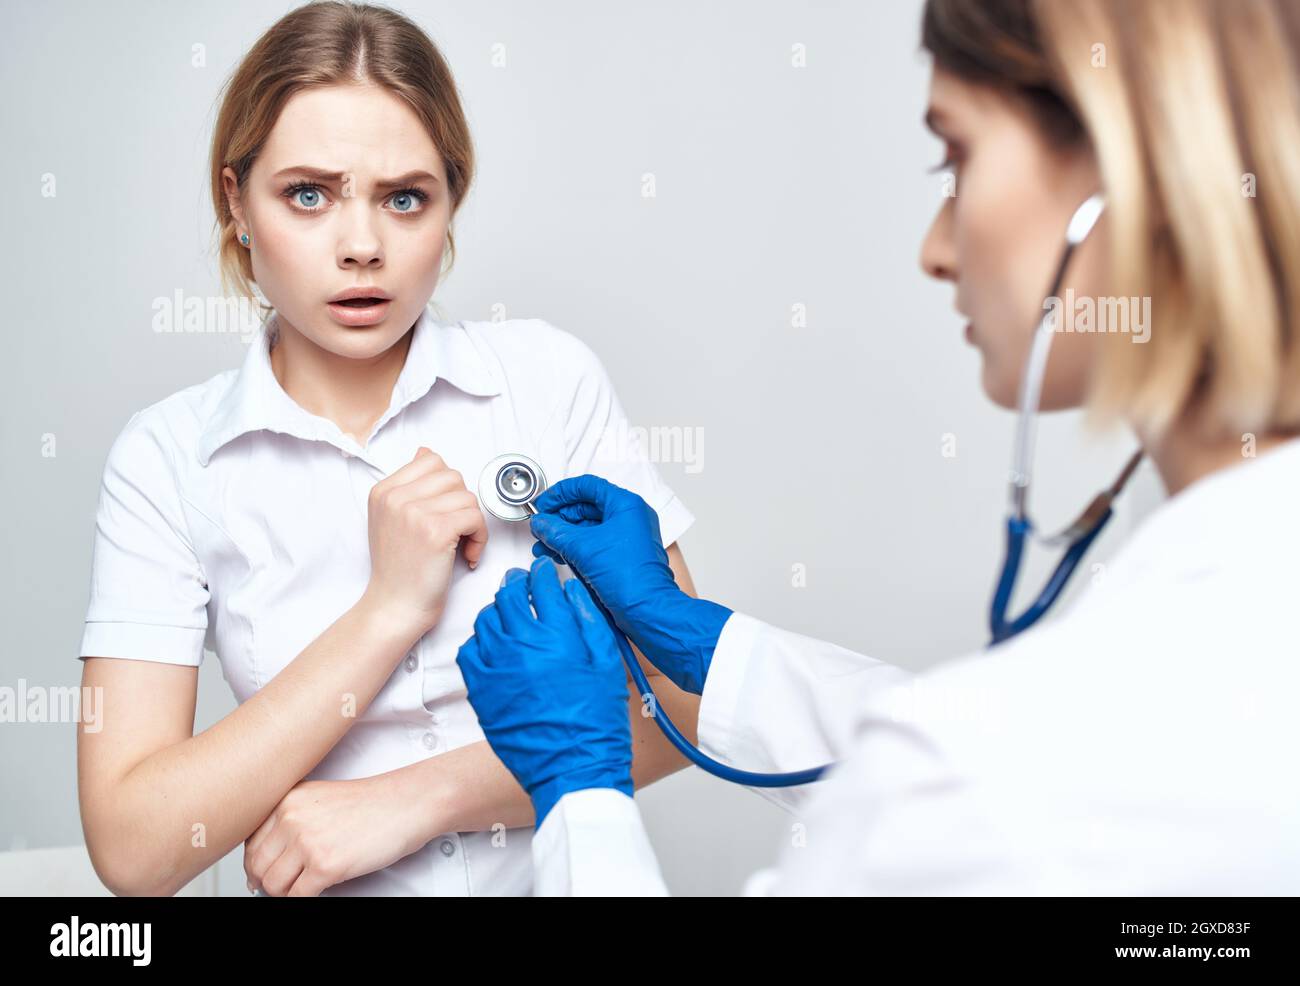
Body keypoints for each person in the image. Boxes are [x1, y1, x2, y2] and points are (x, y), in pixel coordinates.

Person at [455, 0, 1300, 895]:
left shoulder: (979, 793)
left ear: (1139, 171)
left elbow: (973, 779)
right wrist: (707, 643)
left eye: (957, 155)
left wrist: (581, 794)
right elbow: (1000, 753)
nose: (936, 250)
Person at [76, 1, 703, 897]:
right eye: (308, 195)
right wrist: (387, 612)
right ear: (236, 202)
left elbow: (689, 703)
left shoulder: (548, 379)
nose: (362, 246)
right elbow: (136, 850)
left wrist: (416, 800)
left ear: (451, 198)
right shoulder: (168, 458)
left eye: (404, 198)